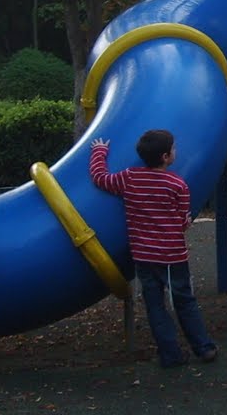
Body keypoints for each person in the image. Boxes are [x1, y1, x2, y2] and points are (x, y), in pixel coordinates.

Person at [89, 129, 218, 369]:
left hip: (144, 256)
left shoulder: (129, 178)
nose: (176, 151)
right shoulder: (177, 185)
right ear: (166, 157)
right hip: (172, 256)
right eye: (174, 149)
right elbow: (182, 222)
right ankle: (204, 347)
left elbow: (100, 177)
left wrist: (99, 151)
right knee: (184, 300)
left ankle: (170, 355)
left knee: (155, 305)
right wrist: (184, 221)